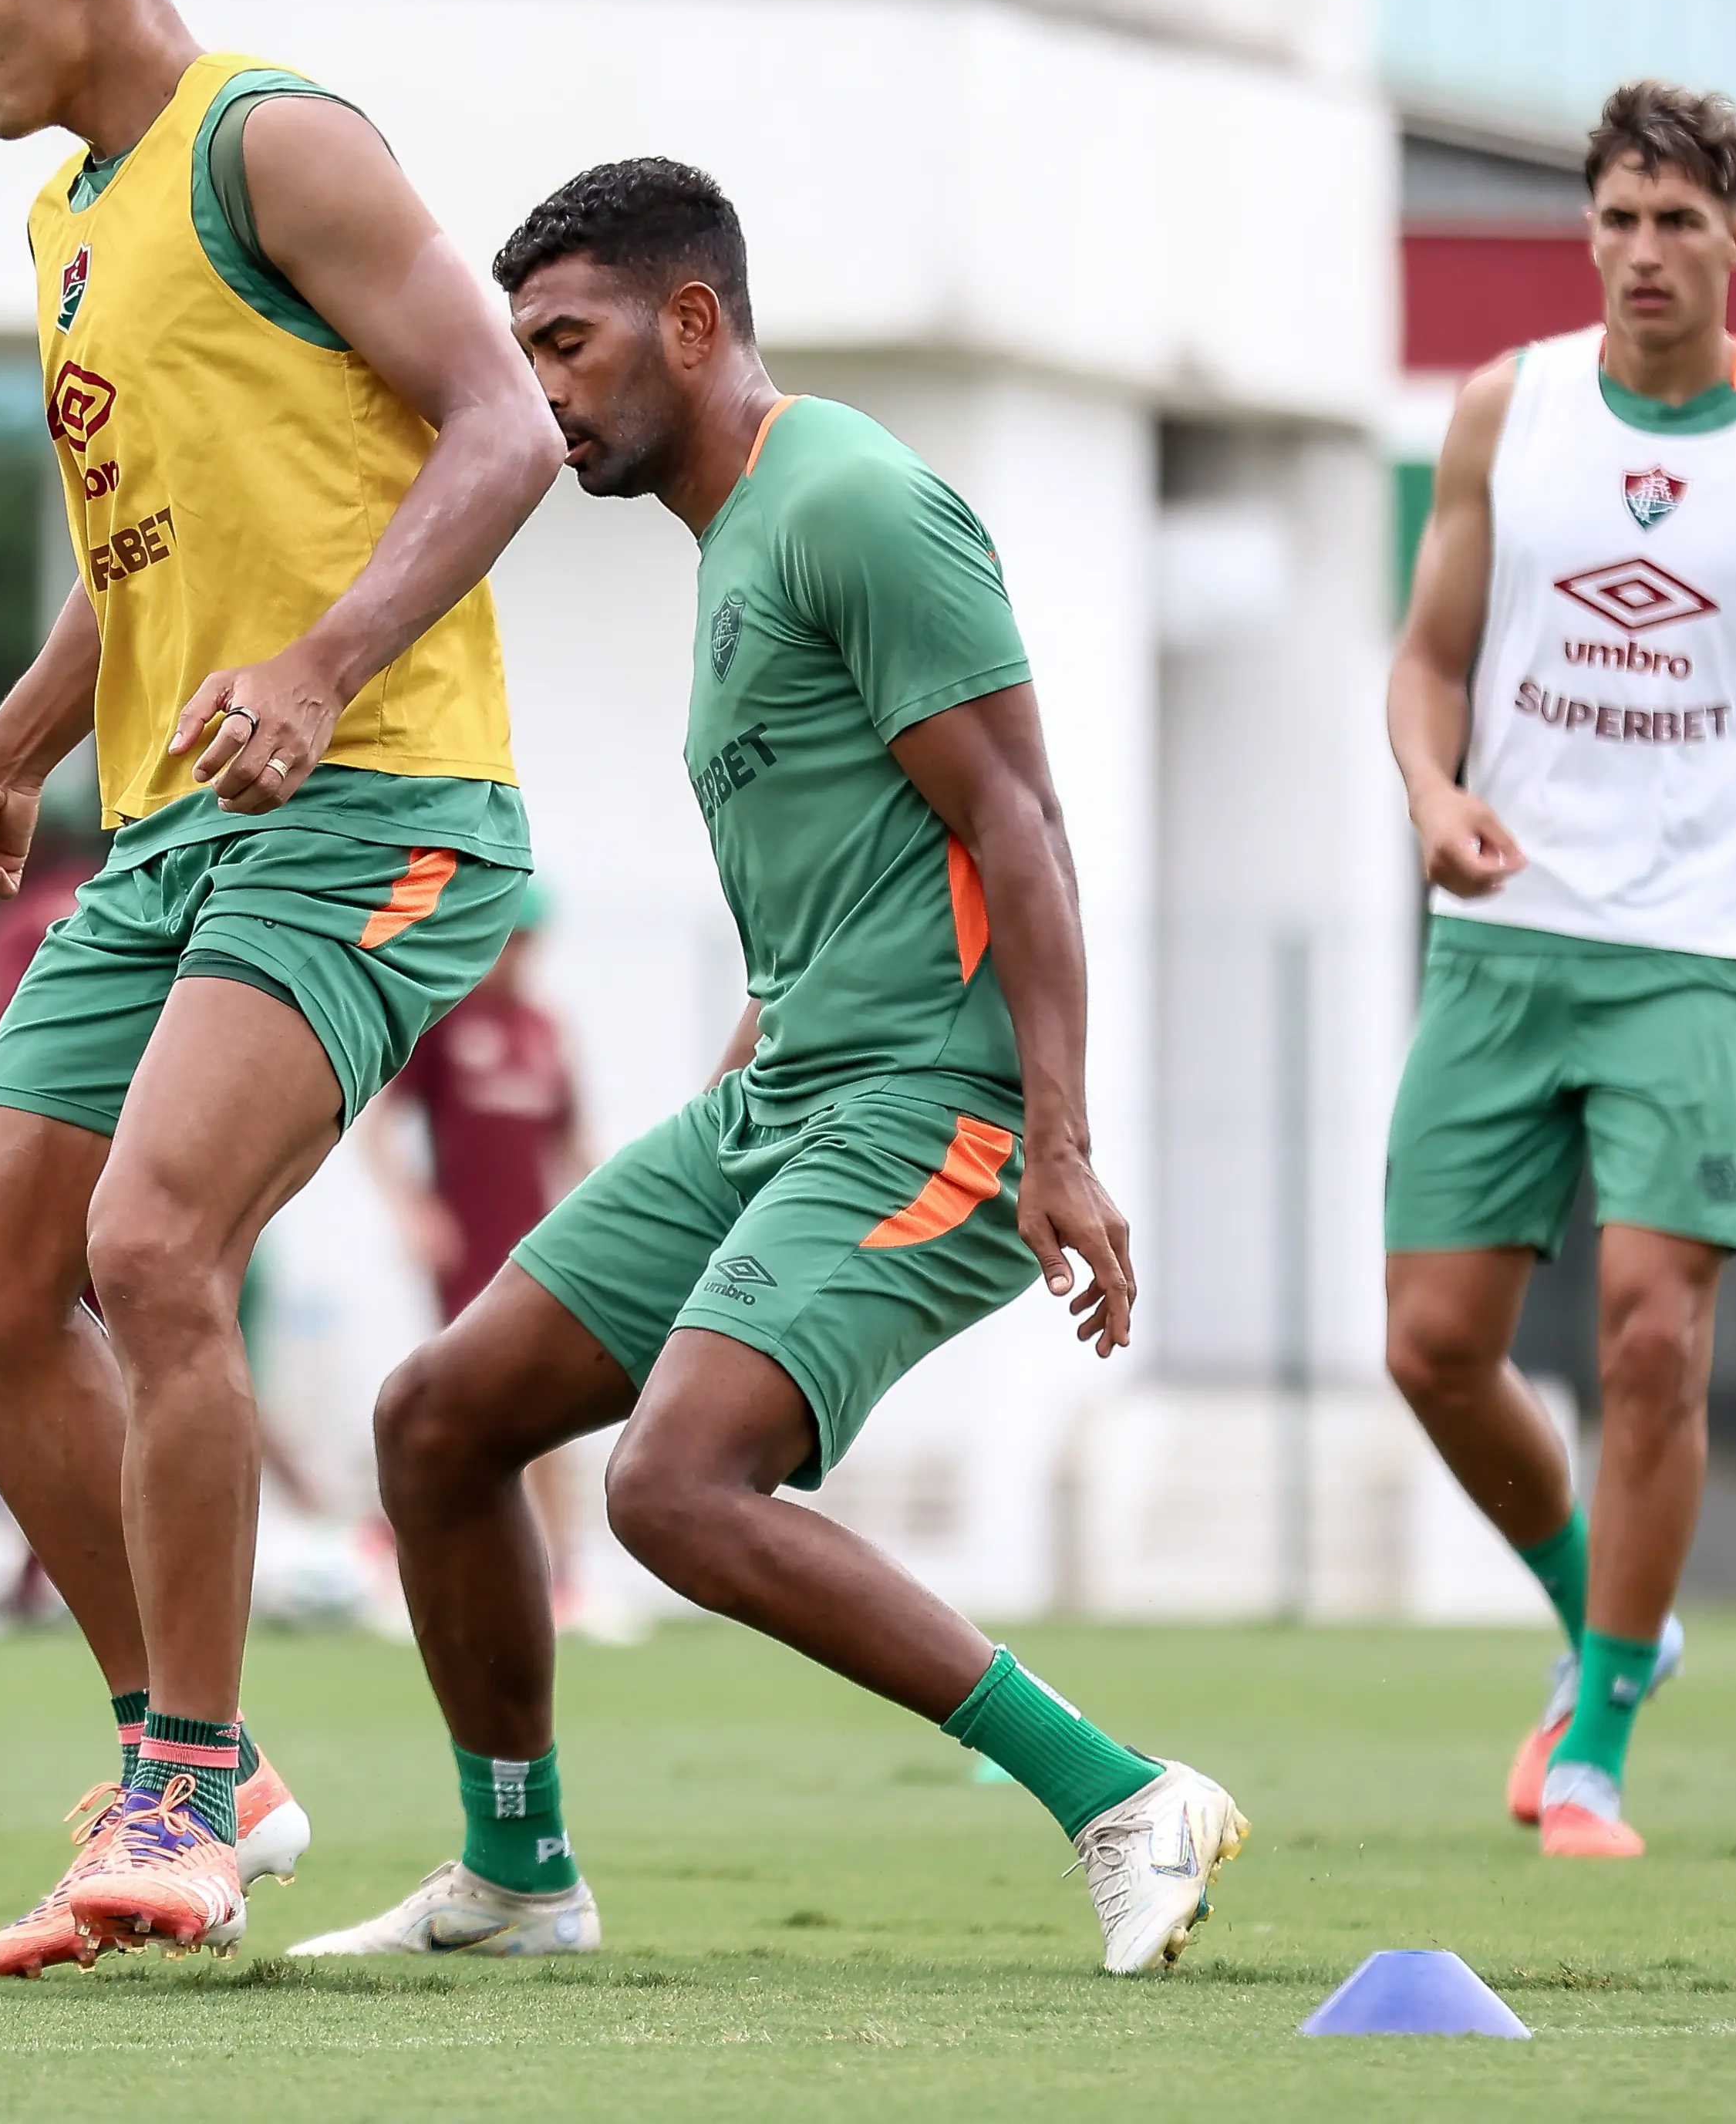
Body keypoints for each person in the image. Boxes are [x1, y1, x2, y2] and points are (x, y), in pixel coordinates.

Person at [295, 160, 1242, 1977]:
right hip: (790, 1095)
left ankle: (1126, 1797)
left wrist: (1062, 1141)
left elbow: (1023, 825)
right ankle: (517, 1879)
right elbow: (848, 882)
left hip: (937, 1111)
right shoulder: (737, 544)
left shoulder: (853, 500)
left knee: (670, 1490)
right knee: (438, 1419)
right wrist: (741, 1083)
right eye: (527, 351)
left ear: (696, 321)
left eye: (567, 344)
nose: (542, 391)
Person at [0, 0, 563, 1974]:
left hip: (381, 805)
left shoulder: (277, 142)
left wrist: (328, 657)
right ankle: (201, 1759)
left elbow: (503, 428)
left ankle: (179, 1791)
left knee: (153, 1242)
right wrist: (7, 761)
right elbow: (135, 563)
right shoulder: (67, 226)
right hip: (179, 828)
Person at [1383, 83, 1736, 1862]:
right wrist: (1432, 792)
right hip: (1502, 937)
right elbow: (1426, 657)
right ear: (1589, 232)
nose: (1644, 252)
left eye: (1677, 222)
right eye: (1618, 218)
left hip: (1698, 954)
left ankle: (1598, 1749)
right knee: (1431, 1348)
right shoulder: (1509, 410)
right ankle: (1607, 1612)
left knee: (1652, 1334)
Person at [358, 889, 600, 1600]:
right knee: (474, 1405)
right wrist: (414, 1211)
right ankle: (402, 1543)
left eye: (528, 943)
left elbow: (571, 1141)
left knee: (541, 1405)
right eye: (509, 941)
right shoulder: (445, 1021)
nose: (517, 958)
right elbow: (379, 1128)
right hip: (470, 1249)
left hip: (538, 1247)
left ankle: (560, 1576)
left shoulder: (547, 1027)